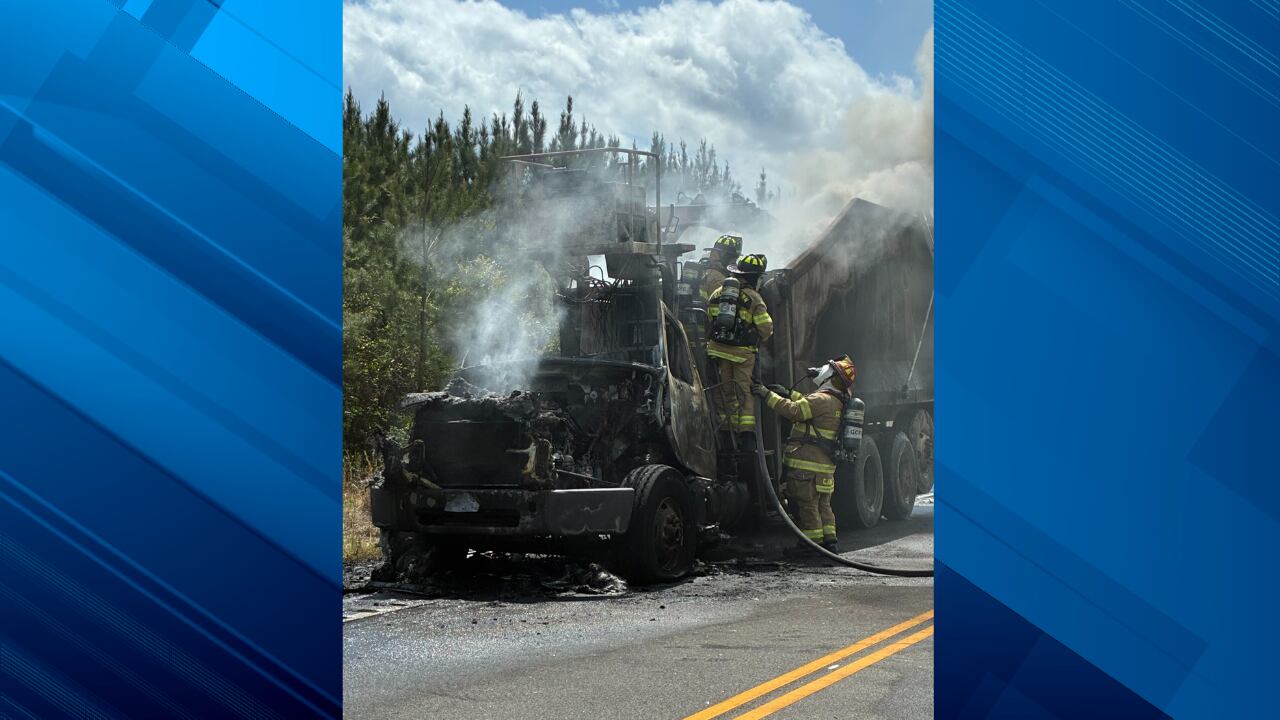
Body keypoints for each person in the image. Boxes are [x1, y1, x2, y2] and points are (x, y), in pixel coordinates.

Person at [753, 355, 856, 552]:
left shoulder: (821, 399)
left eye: (829, 370)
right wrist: (789, 393)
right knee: (824, 506)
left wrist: (767, 395)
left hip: (807, 466)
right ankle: (830, 542)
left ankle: (810, 546)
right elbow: (808, 406)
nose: (823, 370)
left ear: (832, 378)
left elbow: (795, 411)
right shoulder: (837, 401)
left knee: (807, 506)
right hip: (824, 468)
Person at [707, 253, 772, 437]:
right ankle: (746, 435)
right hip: (742, 355)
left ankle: (726, 432)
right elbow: (766, 328)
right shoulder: (754, 298)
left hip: (717, 351)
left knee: (724, 391)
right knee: (744, 392)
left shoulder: (717, 293)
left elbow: (710, 317)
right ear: (755, 278)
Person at [701, 234, 742, 301]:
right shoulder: (719, 280)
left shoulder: (704, 270)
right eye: (733, 259)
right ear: (725, 258)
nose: (734, 263)